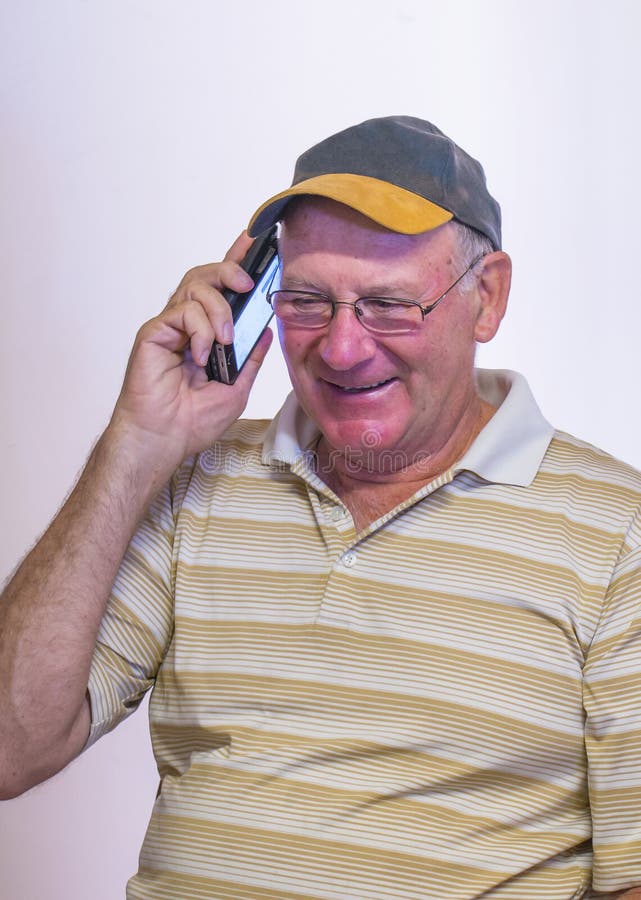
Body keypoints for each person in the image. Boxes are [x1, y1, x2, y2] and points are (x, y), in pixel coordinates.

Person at [1, 116, 640, 900]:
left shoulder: (617, 532)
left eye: (387, 304)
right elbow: (8, 749)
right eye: (305, 300)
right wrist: (134, 445)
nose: (340, 349)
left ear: (487, 296)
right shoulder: (193, 477)